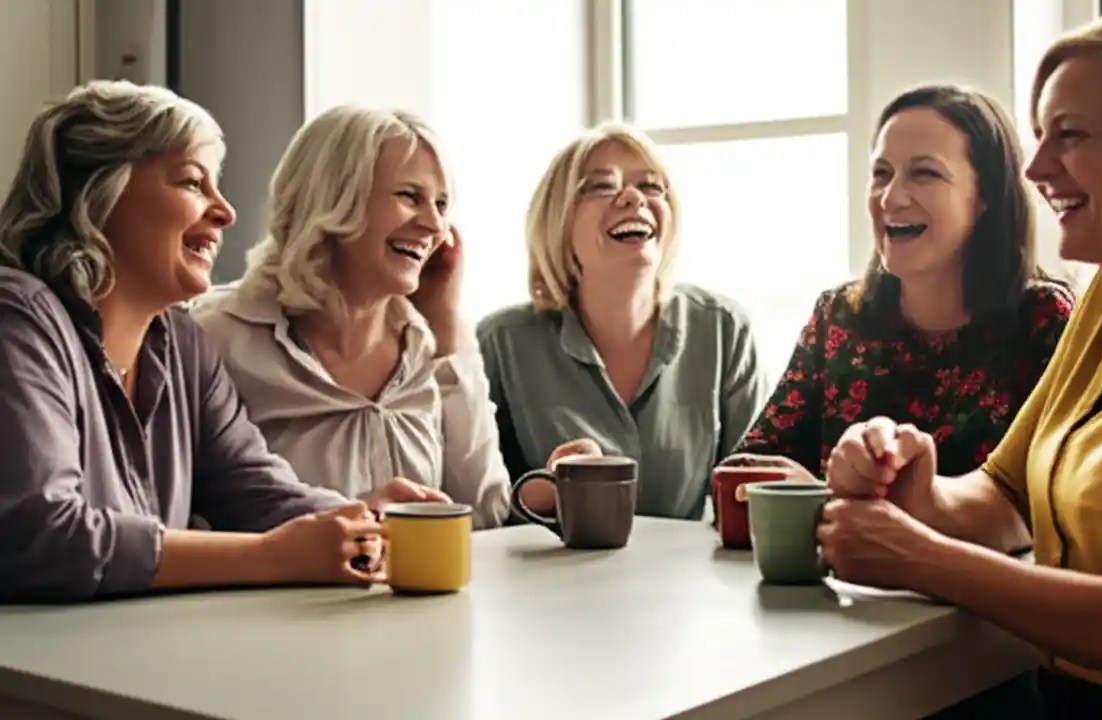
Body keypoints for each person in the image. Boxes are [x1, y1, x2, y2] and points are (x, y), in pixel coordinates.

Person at [818, 8, 1102, 717]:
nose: (1034, 169)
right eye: (1040, 137)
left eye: (1072, 135)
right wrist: (919, 489)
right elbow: (1007, 499)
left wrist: (918, 557)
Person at [0, 81, 421, 602]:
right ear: (98, 192)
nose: (226, 211)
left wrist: (354, 520)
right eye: (193, 183)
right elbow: (41, 535)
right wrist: (272, 558)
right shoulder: (17, 317)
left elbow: (255, 490)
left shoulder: (181, 341)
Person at [730, 85, 1073, 483]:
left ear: (986, 196)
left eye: (924, 173)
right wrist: (817, 497)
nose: (891, 197)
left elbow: (1058, 503)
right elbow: (741, 476)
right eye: (881, 174)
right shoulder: (838, 316)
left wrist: (829, 498)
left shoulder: (1042, 320)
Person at [193, 106, 510, 529]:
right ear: (333, 198)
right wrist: (352, 516)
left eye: (442, 204)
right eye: (409, 196)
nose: (435, 225)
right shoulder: (216, 336)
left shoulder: (427, 345)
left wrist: (449, 330)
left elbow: (485, 512)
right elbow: (195, 520)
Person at [477, 123, 769, 521]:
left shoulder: (724, 330)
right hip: (550, 582)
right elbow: (479, 511)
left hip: (687, 581)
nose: (633, 197)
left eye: (651, 186)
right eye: (599, 186)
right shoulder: (499, 343)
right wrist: (550, 490)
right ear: (558, 222)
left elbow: (759, 496)